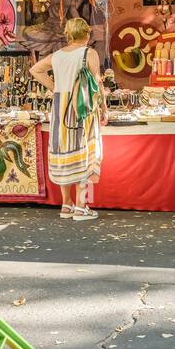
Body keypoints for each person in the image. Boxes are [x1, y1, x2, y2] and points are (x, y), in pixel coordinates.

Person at [30, 18, 107, 221]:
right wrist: (104, 109)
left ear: (69, 35)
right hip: (82, 108)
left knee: (65, 153)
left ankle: (66, 204)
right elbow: (97, 83)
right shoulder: (89, 53)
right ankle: (81, 207)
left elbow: (35, 70)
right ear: (86, 34)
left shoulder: (57, 56)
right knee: (86, 153)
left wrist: (55, 87)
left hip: (60, 108)